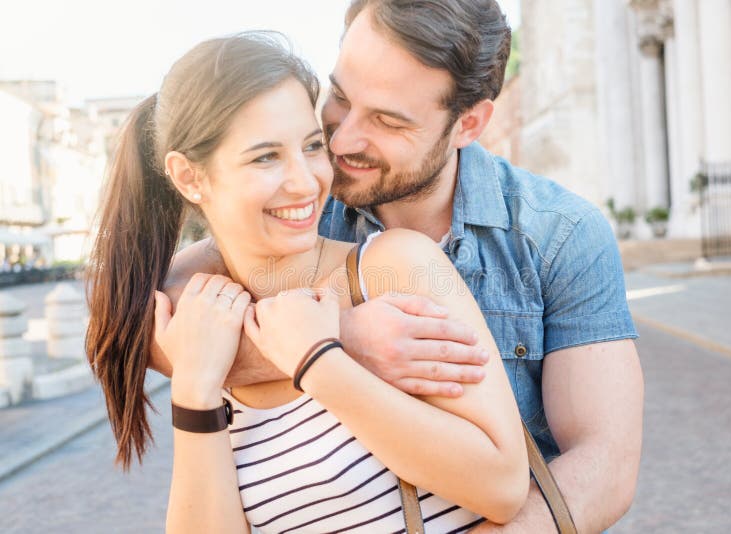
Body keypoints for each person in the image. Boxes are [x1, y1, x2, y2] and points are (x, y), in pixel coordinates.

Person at [160, 1, 645, 532]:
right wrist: (349, 337)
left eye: (388, 121)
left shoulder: (558, 235)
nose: (341, 142)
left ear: (468, 123)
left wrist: (324, 349)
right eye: (341, 97)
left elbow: (604, 470)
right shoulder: (296, 209)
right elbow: (144, 321)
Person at [86, 31, 530, 533]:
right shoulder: (199, 327)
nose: (306, 181)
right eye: (265, 157)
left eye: (312, 146)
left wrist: (318, 360)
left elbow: (504, 487)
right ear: (190, 178)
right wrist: (195, 388)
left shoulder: (398, 266)